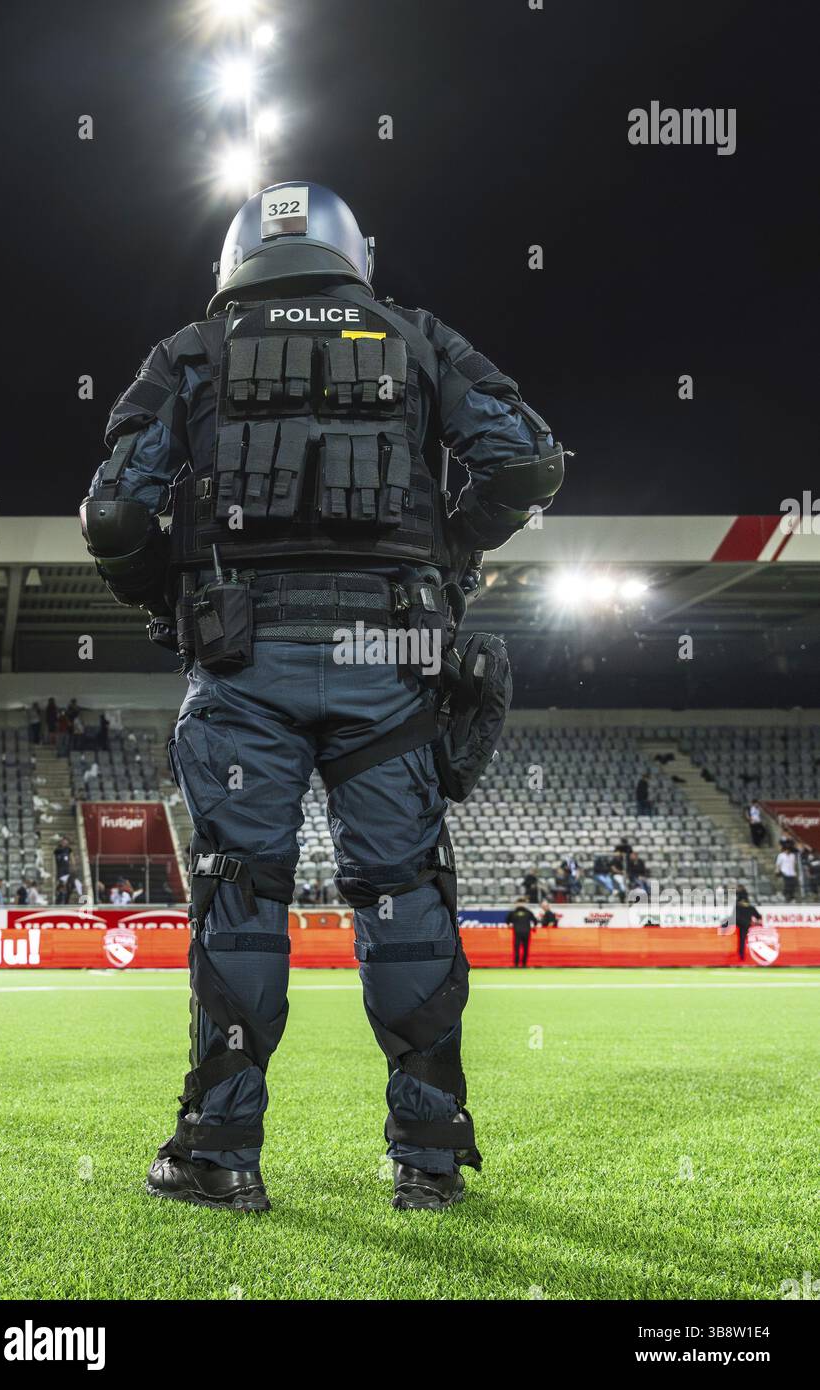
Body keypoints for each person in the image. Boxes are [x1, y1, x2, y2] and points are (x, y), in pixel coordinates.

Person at [81, 180, 566, 1215]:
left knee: (240, 897)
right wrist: (445, 550)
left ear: (233, 258)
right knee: (404, 896)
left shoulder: (189, 354)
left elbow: (115, 516)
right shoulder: (416, 335)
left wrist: (174, 608)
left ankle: (219, 1153)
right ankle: (428, 1160)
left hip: (240, 658)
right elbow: (523, 461)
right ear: (353, 250)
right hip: (388, 654)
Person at [732, 884, 762, 963]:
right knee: (742, 939)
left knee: (741, 938)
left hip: (740, 921)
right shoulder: (750, 907)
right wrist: (755, 923)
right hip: (746, 923)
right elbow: (759, 917)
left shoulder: (738, 905)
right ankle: (742, 956)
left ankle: (741, 955)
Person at [506, 896, 535, 967]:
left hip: (526, 933)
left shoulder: (528, 912)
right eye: (519, 903)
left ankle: (524, 964)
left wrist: (534, 925)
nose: (521, 904)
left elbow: (535, 920)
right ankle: (516, 964)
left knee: (525, 949)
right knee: (516, 949)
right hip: (517, 933)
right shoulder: (513, 913)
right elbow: (507, 920)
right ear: (516, 904)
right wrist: (509, 924)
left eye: (522, 903)